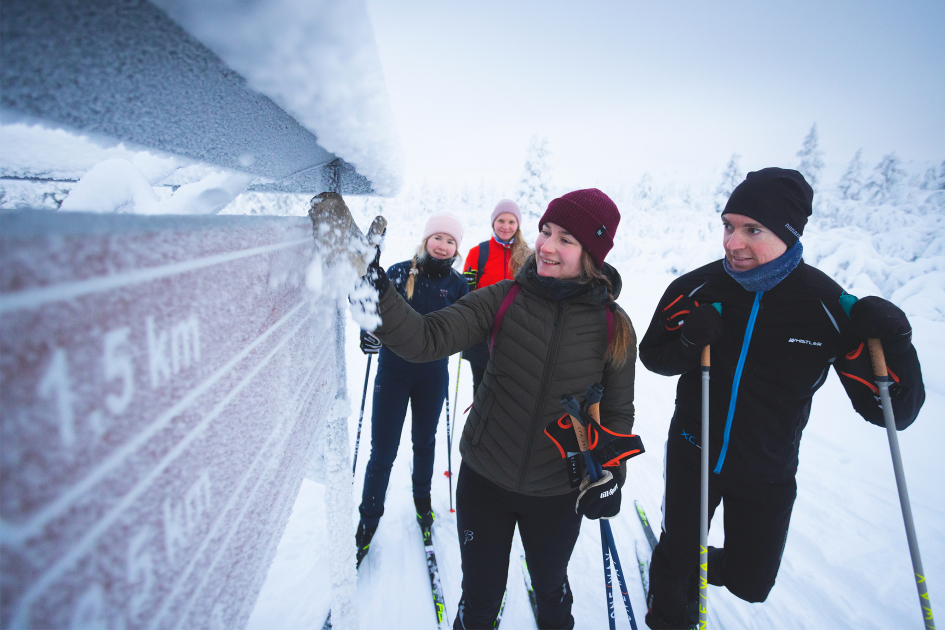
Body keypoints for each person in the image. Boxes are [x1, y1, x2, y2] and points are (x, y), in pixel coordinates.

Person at [637, 168, 926, 630]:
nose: (733, 242)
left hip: (767, 469)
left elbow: (892, 411)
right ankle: (670, 603)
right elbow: (654, 357)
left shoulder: (827, 306)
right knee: (679, 558)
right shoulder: (696, 289)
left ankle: (695, 563)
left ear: (789, 235)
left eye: (752, 229)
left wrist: (898, 346)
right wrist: (691, 342)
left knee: (754, 584)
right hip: (694, 451)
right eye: (728, 226)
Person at [361, 189, 638, 630]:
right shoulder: (502, 297)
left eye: (566, 239)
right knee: (480, 601)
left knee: (551, 592)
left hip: (557, 492)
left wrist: (610, 473)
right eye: (546, 231)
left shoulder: (614, 326)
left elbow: (619, 414)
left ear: (594, 254)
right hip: (485, 480)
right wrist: (376, 286)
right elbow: (426, 338)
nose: (546, 246)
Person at [355, 213, 469, 566]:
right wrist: (367, 335)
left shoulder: (458, 285)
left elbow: (462, 328)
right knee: (383, 451)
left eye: (450, 241)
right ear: (425, 240)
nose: (443, 245)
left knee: (425, 441)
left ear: (456, 249)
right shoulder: (400, 272)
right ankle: (368, 518)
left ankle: (423, 500)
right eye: (437, 237)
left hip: (432, 376)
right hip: (393, 372)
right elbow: (373, 311)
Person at [461, 199, 533, 396]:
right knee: (482, 391)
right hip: (481, 335)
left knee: (511, 395)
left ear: (518, 225)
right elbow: (466, 294)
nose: (506, 226)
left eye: (511, 222)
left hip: (516, 335)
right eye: (501, 220)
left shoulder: (529, 256)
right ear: (493, 223)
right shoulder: (478, 253)